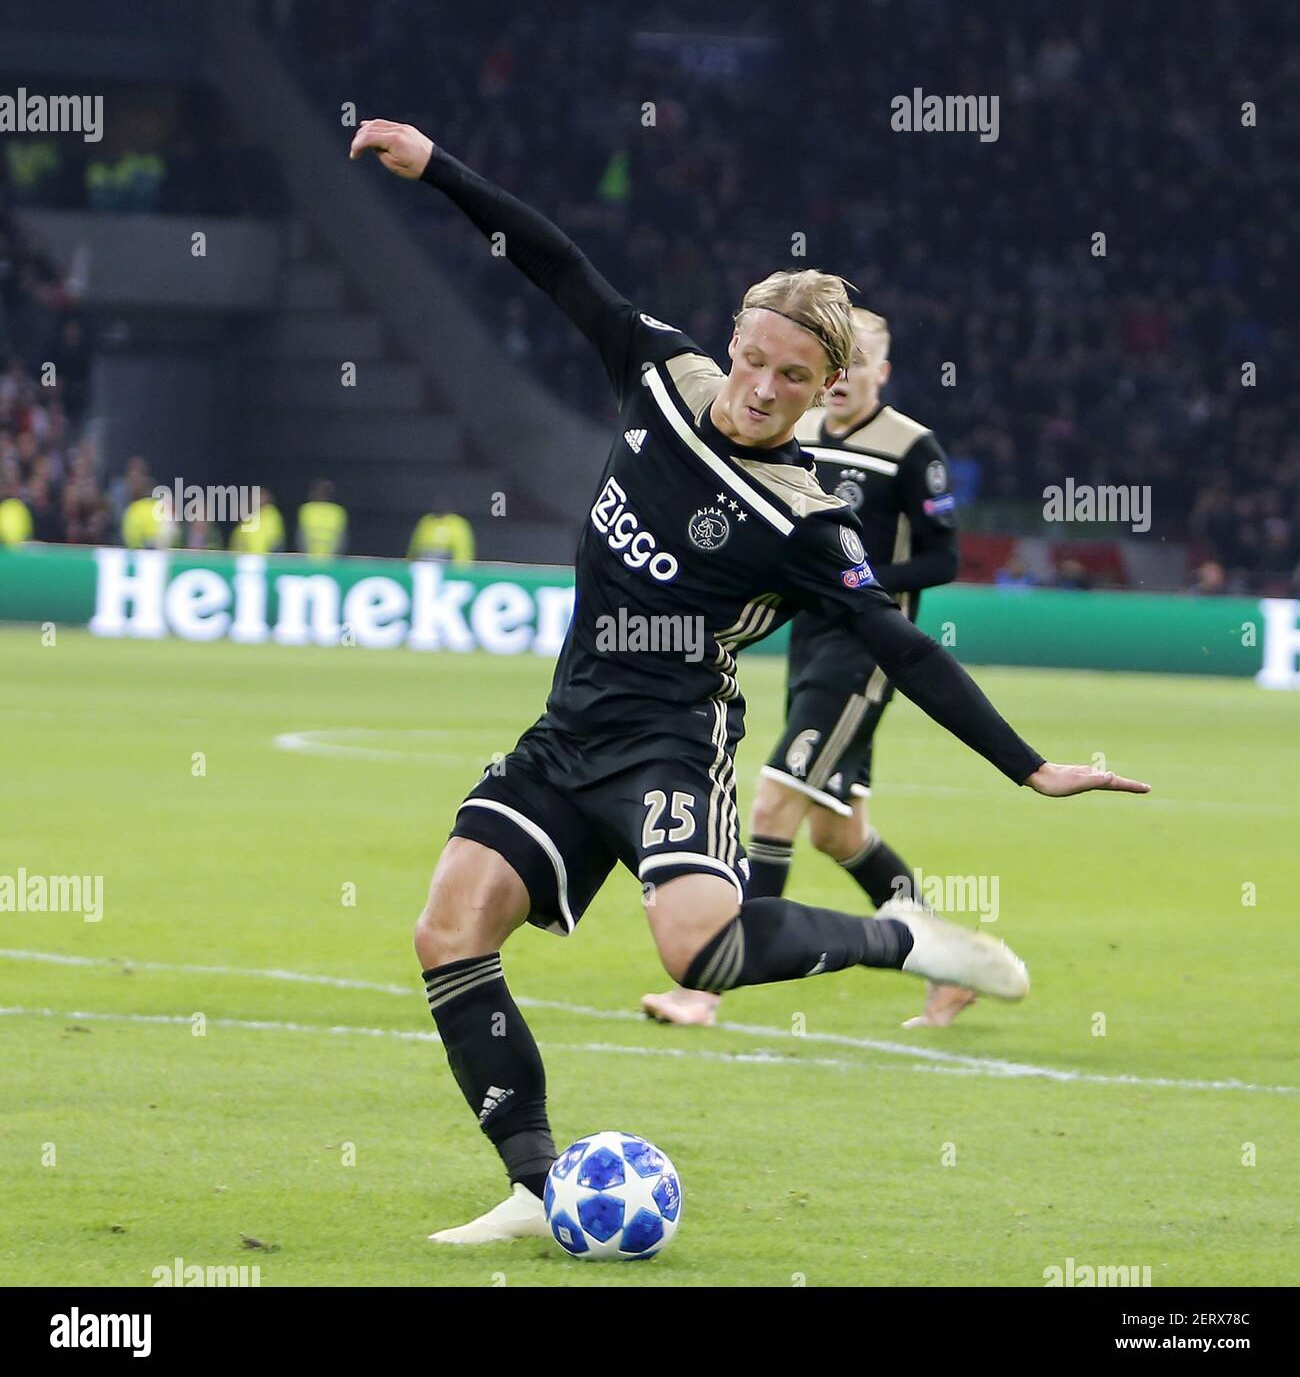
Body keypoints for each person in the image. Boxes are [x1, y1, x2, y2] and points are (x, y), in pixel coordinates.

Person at [350, 118, 1149, 1245]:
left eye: (795, 378)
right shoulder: (662, 375)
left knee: (698, 949)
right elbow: (555, 262)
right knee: (447, 928)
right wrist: (438, 171)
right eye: (755, 359)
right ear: (730, 340)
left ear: (828, 390)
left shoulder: (807, 521)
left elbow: (901, 644)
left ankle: (908, 939)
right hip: (566, 729)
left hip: (671, 745)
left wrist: (1029, 767)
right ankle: (534, 1184)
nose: (763, 388)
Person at [641, 308, 972, 1030]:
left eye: (861, 365)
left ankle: (708, 987)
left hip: (864, 652)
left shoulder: (913, 447)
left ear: (880, 371)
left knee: (772, 806)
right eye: (838, 366)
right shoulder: (801, 438)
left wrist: (854, 579)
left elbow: (947, 557)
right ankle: (951, 965)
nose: (848, 378)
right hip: (808, 647)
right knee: (839, 833)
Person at [296, 479, 348, 557]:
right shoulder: (306, 509)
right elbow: (301, 536)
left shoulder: (338, 511)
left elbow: (341, 538)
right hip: (310, 559)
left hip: (329, 560)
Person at [408, 504, 475, 562]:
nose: (440, 506)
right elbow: (414, 548)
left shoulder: (457, 524)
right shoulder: (426, 521)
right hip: (424, 567)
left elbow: (462, 551)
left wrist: (460, 571)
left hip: (449, 569)